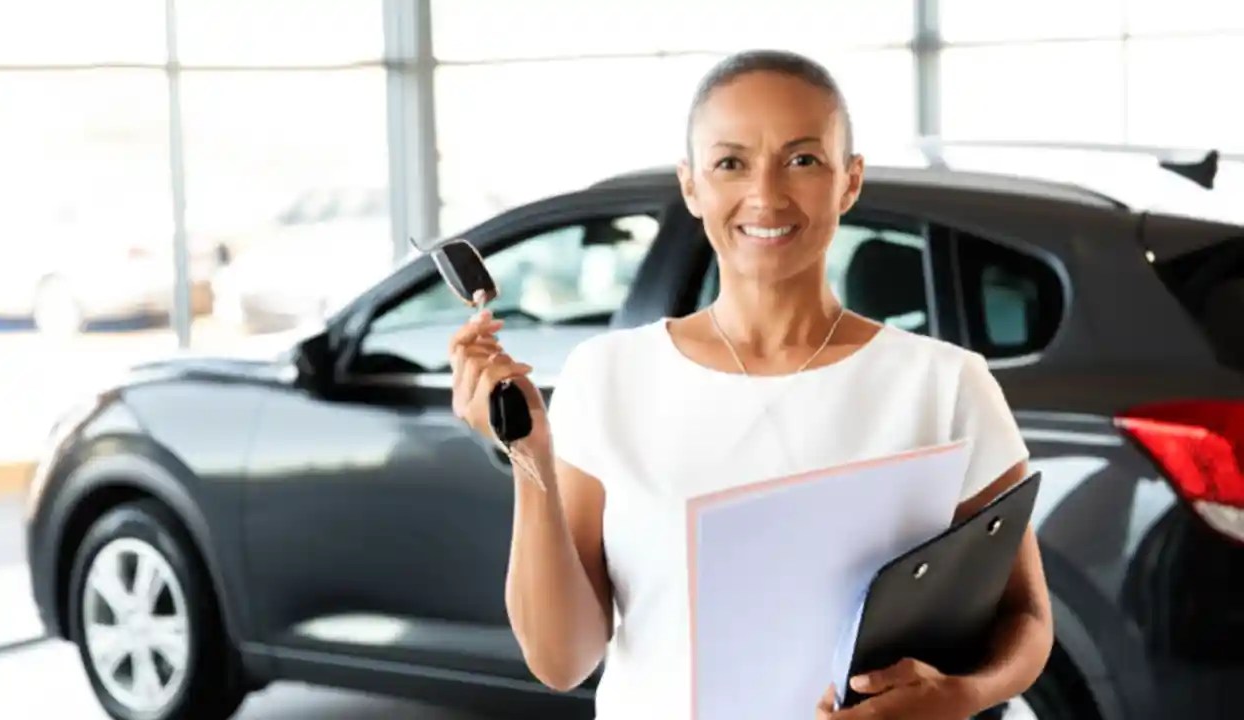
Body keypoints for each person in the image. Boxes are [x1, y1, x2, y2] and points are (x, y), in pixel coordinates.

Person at [448, 49, 1053, 720]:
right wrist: (529, 457)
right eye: (731, 163)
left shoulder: (945, 385)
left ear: (849, 181)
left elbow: (1025, 618)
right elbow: (561, 661)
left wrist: (960, 696)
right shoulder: (608, 376)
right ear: (692, 185)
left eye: (802, 160)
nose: (765, 195)